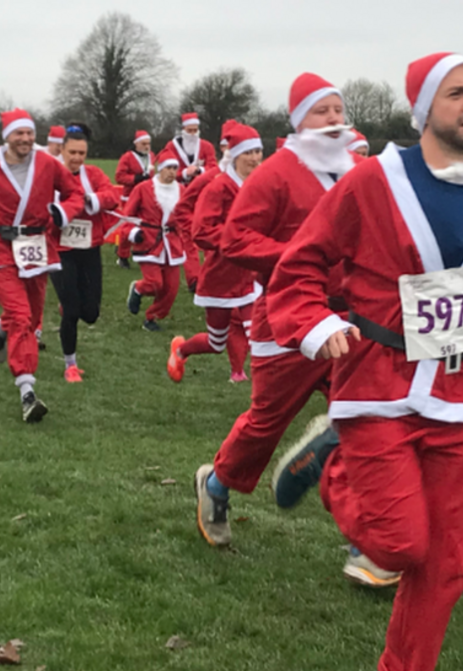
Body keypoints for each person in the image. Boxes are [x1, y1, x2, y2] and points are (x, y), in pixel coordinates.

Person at [269, 52, 463, 671]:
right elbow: (299, 266)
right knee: (397, 543)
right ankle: (332, 462)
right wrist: (317, 322)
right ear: (423, 110)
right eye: (456, 94)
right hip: (376, 384)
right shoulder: (372, 182)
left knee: (446, 566)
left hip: (455, 390)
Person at [191, 72, 372, 574]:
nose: (334, 119)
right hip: (288, 317)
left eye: (338, 110)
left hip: (351, 319)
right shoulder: (275, 174)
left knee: (366, 418)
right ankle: (217, 485)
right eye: (322, 111)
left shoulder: (359, 170)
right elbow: (235, 240)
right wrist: (297, 255)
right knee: (267, 423)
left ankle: (365, 536)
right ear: (299, 121)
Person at [0, 109, 84, 423]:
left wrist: (63, 212)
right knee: (23, 317)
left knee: (30, 314)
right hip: (2, 247)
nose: (26, 139)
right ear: (7, 137)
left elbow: (74, 192)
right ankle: (27, 391)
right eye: (19, 134)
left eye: (29, 133)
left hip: (36, 247)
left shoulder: (47, 164)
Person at [168, 122, 263, 383]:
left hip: (250, 277)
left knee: (259, 339)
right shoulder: (217, 186)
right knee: (216, 341)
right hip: (220, 278)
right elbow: (201, 231)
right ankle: (180, 349)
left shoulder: (261, 184)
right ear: (235, 155)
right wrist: (237, 240)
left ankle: (265, 401)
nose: (255, 158)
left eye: (258, 151)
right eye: (249, 152)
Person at [49, 123, 121, 383]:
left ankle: (68, 302)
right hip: (60, 251)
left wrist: (92, 199)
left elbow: (113, 195)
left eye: (82, 153)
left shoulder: (92, 174)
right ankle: (70, 364)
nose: (77, 158)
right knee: (71, 310)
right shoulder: (51, 175)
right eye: (73, 153)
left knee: (90, 313)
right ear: (62, 150)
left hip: (89, 249)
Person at [123, 158, 185, 332]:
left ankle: (152, 317)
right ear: (161, 169)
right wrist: (132, 233)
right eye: (169, 168)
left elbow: (188, 215)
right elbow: (126, 216)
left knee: (171, 288)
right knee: (154, 283)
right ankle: (138, 289)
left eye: (175, 168)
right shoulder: (143, 189)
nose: (172, 172)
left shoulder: (182, 190)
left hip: (172, 243)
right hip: (148, 241)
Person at [114, 130, 154, 268]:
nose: (147, 147)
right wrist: (136, 179)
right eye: (144, 144)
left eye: (148, 144)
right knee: (128, 227)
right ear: (136, 144)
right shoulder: (127, 157)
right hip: (130, 197)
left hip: (146, 197)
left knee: (147, 225)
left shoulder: (151, 156)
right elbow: (119, 177)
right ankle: (122, 255)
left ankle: (147, 252)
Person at [159, 113, 217, 186]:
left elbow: (213, 167)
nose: (193, 134)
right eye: (189, 131)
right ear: (183, 130)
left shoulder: (207, 146)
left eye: (195, 130)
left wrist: (199, 170)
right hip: (178, 186)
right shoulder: (172, 146)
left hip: (201, 186)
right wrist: (185, 173)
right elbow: (165, 168)